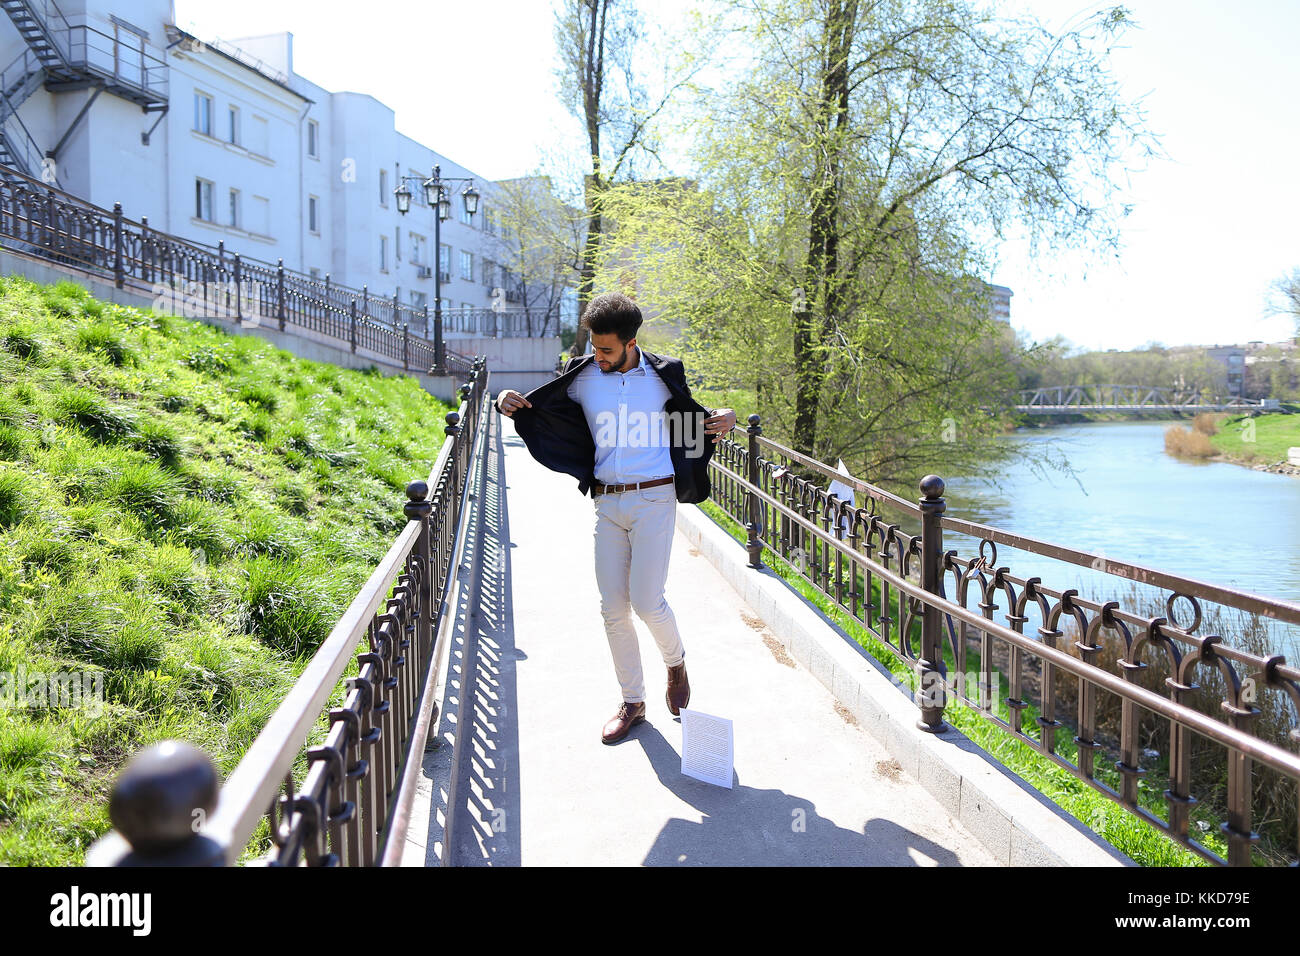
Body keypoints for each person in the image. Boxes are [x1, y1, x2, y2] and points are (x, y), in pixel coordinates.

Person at [495, 292, 736, 744]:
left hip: (655, 500)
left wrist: (727, 418)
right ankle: (633, 702)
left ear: (631, 342)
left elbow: (693, 421)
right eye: (593, 346)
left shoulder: (664, 378)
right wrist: (506, 401)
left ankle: (675, 662)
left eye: (606, 349)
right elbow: (538, 409)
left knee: (647, 601)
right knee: (612, 608)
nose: (597, 356)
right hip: (606, 503)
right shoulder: (583, 377)